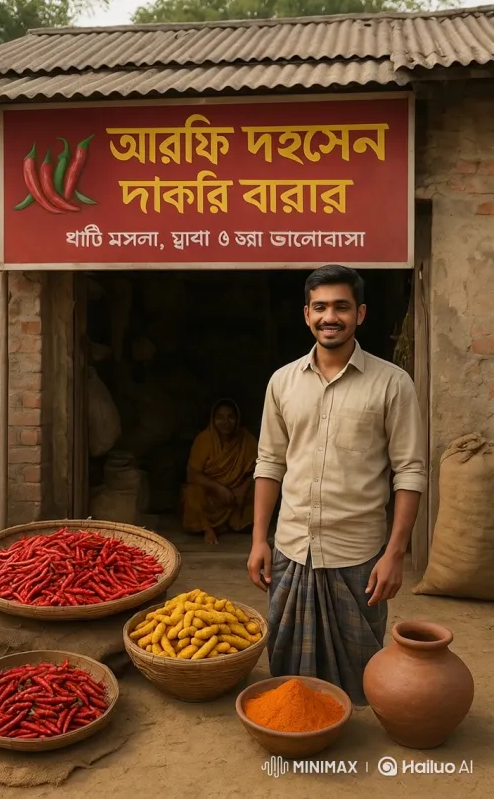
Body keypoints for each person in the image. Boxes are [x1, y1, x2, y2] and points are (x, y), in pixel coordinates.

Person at [247, 265, 426, 705]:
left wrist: (396, 554)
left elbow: (410, 471)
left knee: (362, 682)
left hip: (358, 557)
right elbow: (269, 462)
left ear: (360, 314)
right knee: (289, 686)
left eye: (342, 307)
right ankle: (300, 735)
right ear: (306, 314)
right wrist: (258, 540)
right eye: (321, 307)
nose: (331, 316)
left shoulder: (392, 384)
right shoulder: (282, 382)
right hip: (292, 549)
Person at [182, 399, 258, 545]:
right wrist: (218, 489)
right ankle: (207, 528)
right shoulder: (204, 439)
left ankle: (238, 522)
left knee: (259, 487)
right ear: (213, 419)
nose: (226, 421)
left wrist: (243, 488)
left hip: (236, 495)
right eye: (220, 417)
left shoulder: (246, 439)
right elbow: (192, 474)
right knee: (191, 492)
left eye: (230, 417)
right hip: (212, 495)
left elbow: (259, 469)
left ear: (237, 419)